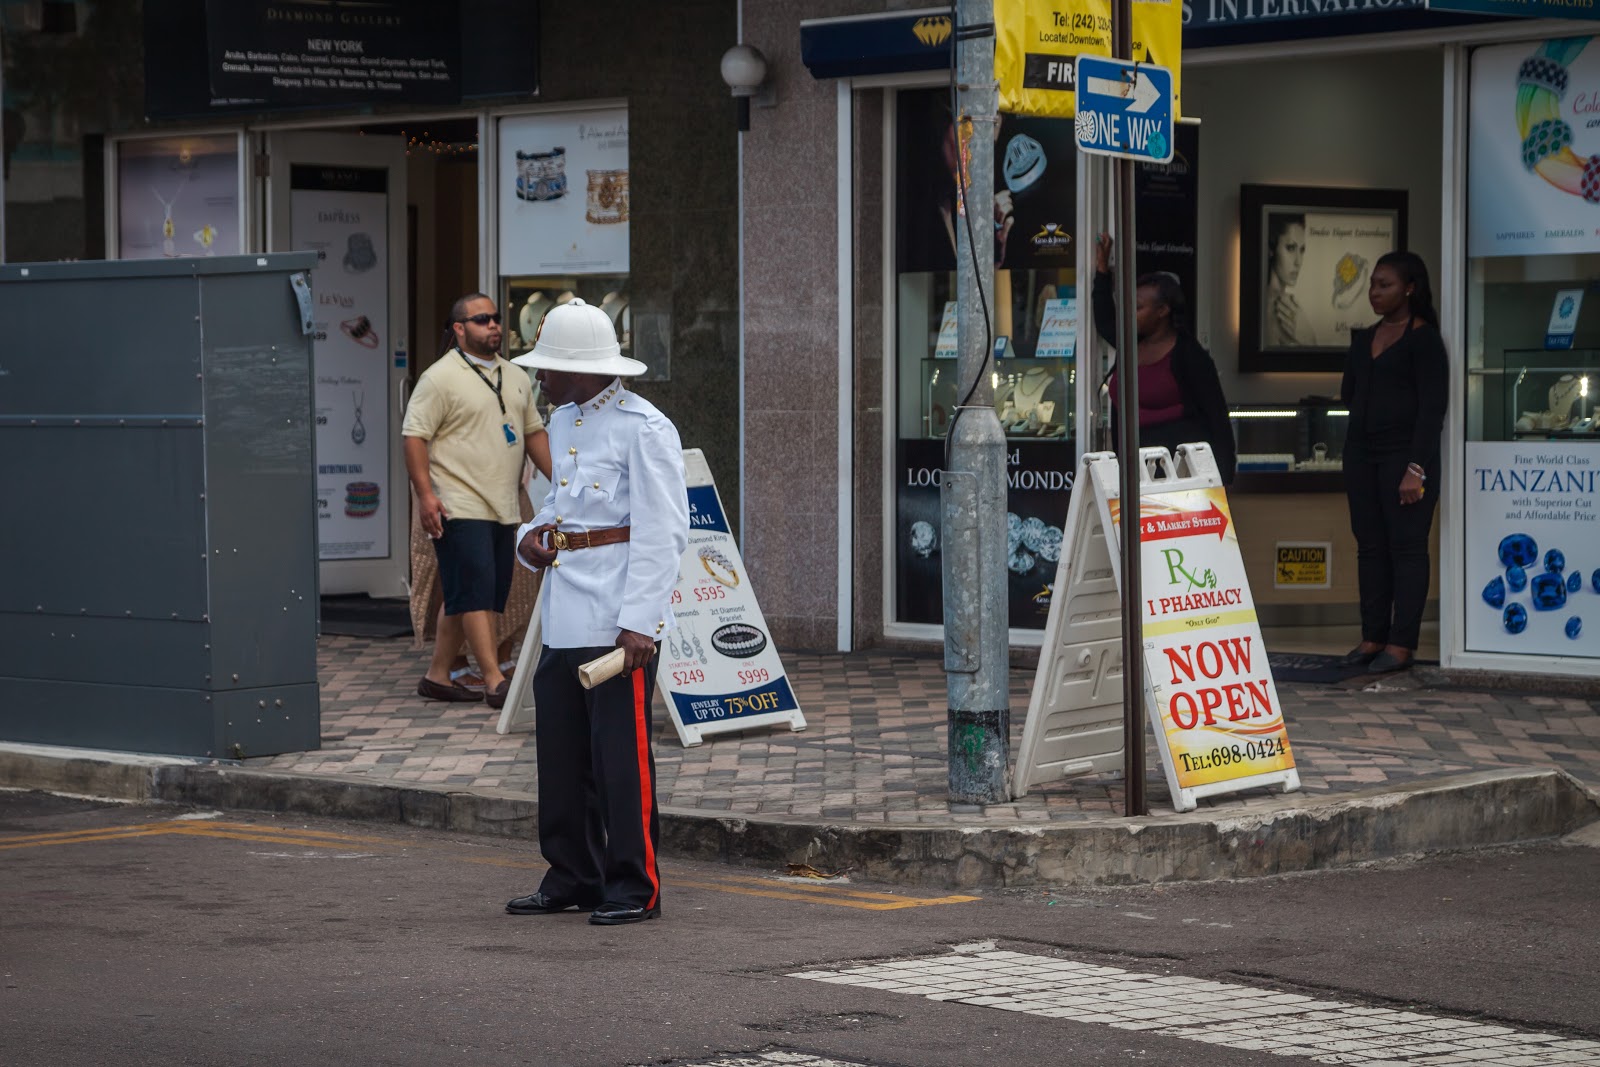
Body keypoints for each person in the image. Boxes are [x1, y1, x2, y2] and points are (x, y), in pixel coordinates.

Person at [502, 298, 689, 927]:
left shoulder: (646, 428)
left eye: (548, 368)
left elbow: (664, 534)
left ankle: (634, 885)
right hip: (565, 609)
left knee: (620, 759)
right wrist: (530, 541)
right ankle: (572, 875)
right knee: (561, 756)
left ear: (582, 369)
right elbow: (557, 505)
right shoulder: (564, 422)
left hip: (617, 618)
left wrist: (642, 622)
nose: (540, 379)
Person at [402, 293, 552, 710]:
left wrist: (566, 480)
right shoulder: (439, 377)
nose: (494, 326)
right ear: (459, 329)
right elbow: (414, 437)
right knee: (477, 593)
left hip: (502, 505)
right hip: (456, 504)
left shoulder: (517, 376)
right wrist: (425, 496)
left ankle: (436, 676)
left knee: (469, 591)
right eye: (482, 319)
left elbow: (534, 433)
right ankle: (493, 680)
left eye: (496, 319)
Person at [1338, 252, 1447, 674]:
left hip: (1406, 457)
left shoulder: (1424, 340)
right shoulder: (1363, 340)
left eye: (1385, 285)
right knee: (1370, 547)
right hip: (1361, 453)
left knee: (1406, 548)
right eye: (1372, 285)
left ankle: (1402, 645)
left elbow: (1431, 410)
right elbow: (1350, 394)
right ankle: (1373, 637)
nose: (1375, 293)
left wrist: (1416, 467)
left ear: (1409, 288)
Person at [1092, 234, 1237, 484]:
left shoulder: (1189, 355)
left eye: (1138, 308)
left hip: (1182, 473)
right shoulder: (1131, 345)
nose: (1130, 314)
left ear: (1163, 311)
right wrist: (1102, 271)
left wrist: (1222, 478)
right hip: (1135, 471)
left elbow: (1217, 418)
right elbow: (1105, 319)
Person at [1264, 213, 1315, 347]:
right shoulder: (1274, 309)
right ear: (1271, 248)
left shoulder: (1288, 307)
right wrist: (1310, 340)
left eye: (1302, 250)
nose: (1298, 261)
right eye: (1291, 248)